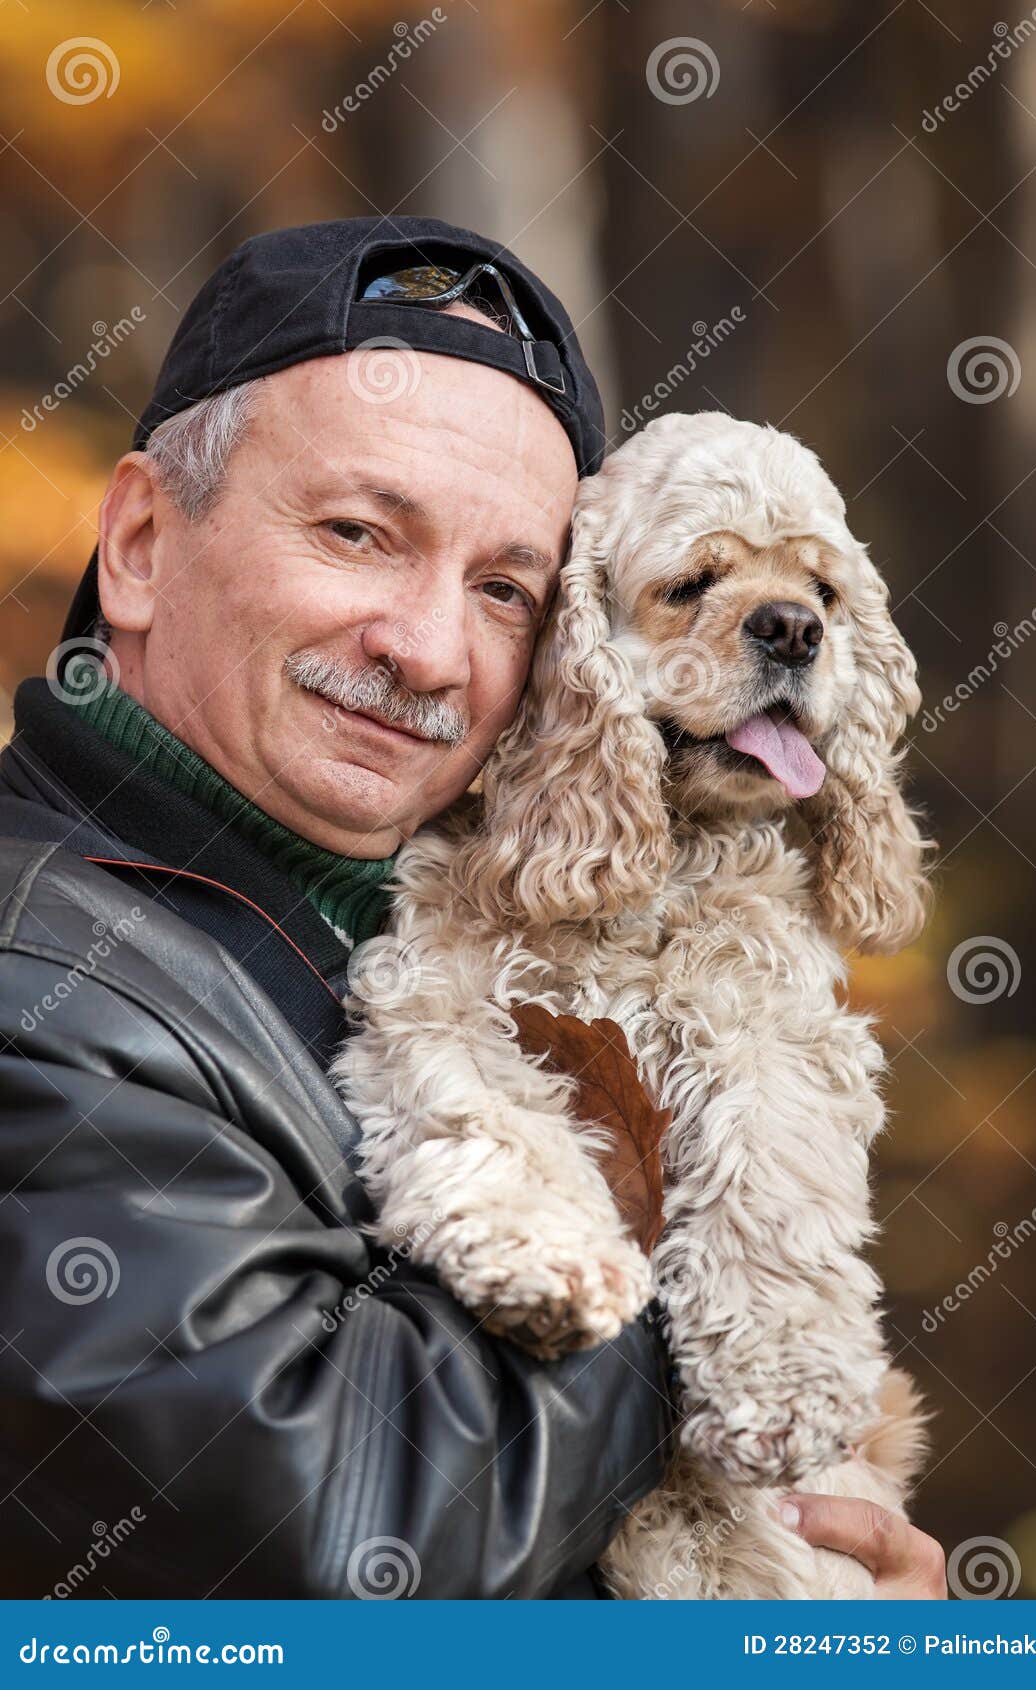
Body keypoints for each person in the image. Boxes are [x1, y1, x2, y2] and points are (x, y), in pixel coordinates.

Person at [0, 215, 945, 1600]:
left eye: (506, 588)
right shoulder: (45, 977)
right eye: (358, 534)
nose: (428, 647)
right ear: (139, 541)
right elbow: (328, 1519)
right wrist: (694, 1230)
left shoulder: (413, 918)